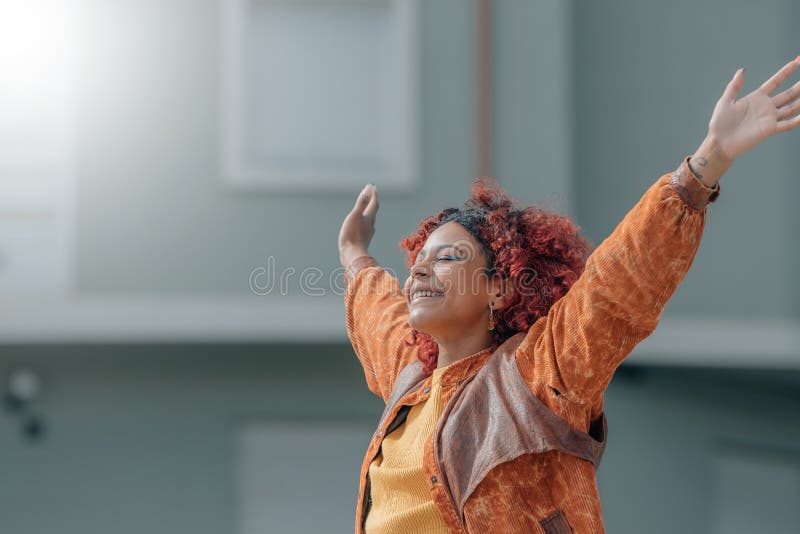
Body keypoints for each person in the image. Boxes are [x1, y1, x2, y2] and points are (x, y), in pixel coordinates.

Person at [337, 57, 800, 534]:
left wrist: (706, 164)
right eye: (418, 262)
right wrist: (354, 252)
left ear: (499, 288)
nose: (420, 271)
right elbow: (380, 319)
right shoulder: (410, 381)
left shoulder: (536, 377)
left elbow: (614, 286)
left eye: (448, 257)